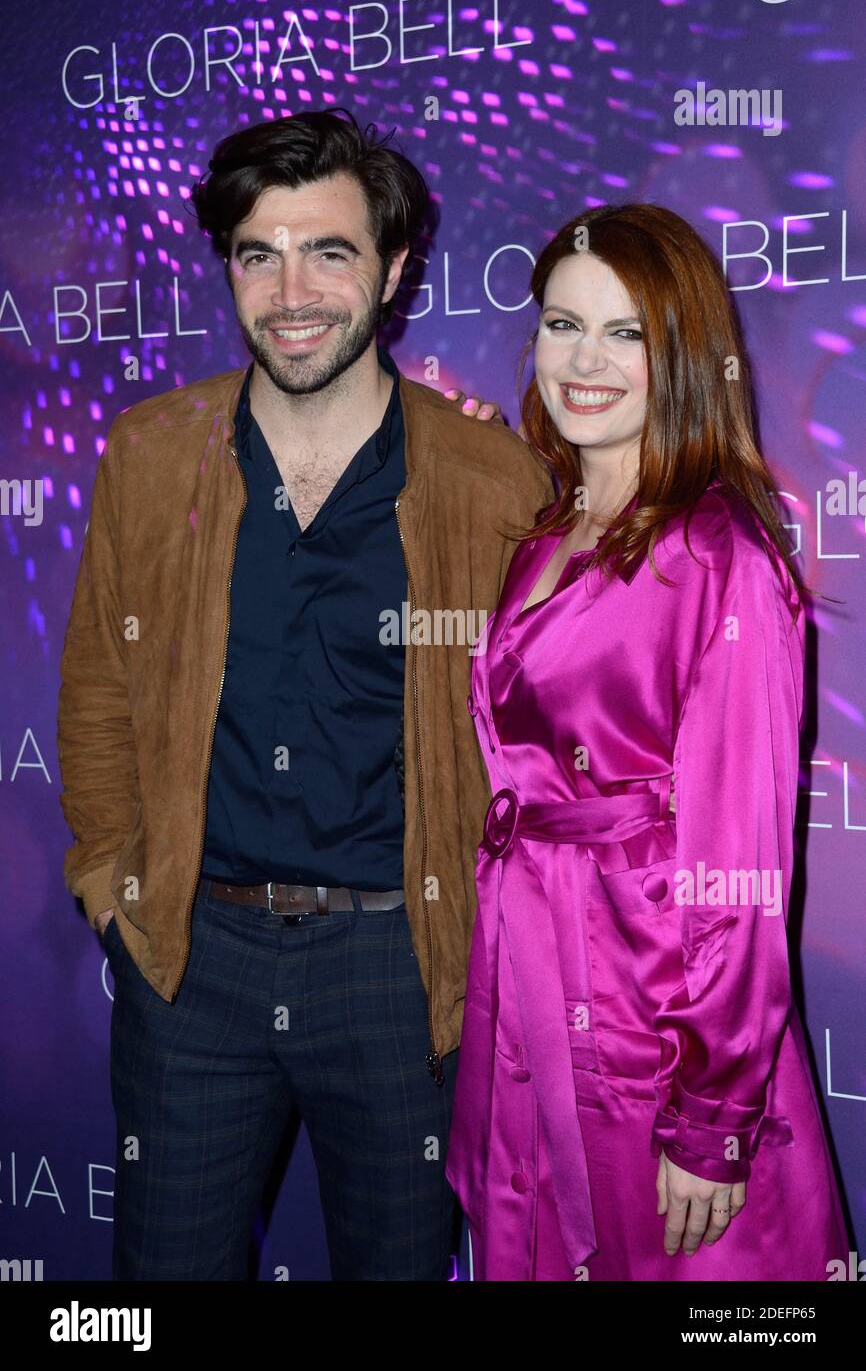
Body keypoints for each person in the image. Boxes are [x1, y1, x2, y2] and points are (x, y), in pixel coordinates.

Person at [56, 108, 551, 1281]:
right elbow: (96, 693)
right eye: (256, 253)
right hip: (192, 959)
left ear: (392, 269)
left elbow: (537, 741)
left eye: (328, 251)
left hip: (401, 971)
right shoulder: (149, 453)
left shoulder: (493, 480)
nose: (291, 291)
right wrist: (112, 896)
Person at [445, 203, 850, 1281]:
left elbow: (739, 867)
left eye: (623, 333)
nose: (582, 360)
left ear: (679, 354)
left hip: (649, 1019)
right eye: (560, 324)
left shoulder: (720, 554)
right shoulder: (547, 525)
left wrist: (711, 1116)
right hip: (527, 986)